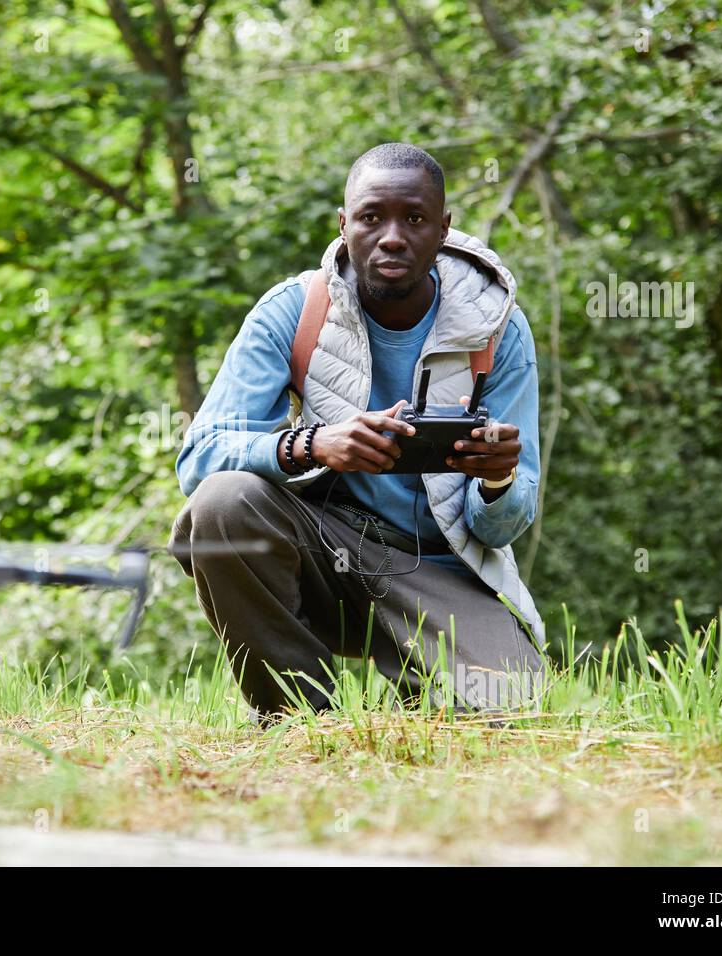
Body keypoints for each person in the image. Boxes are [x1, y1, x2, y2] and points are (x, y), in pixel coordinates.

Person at [168, 143, 547, 719]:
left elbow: (502, 526)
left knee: (509, 707)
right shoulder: (293, 311)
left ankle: (417, 692)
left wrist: (497, 482)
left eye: (415, 219)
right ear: (345, 226)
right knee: (224, 503)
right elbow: (199, 458)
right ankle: (296, 715)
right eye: (372, 217)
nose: (392, 236)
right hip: (323, 550)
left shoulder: (497, 329)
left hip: (440, 567)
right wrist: (312, 445)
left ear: (444, 229)